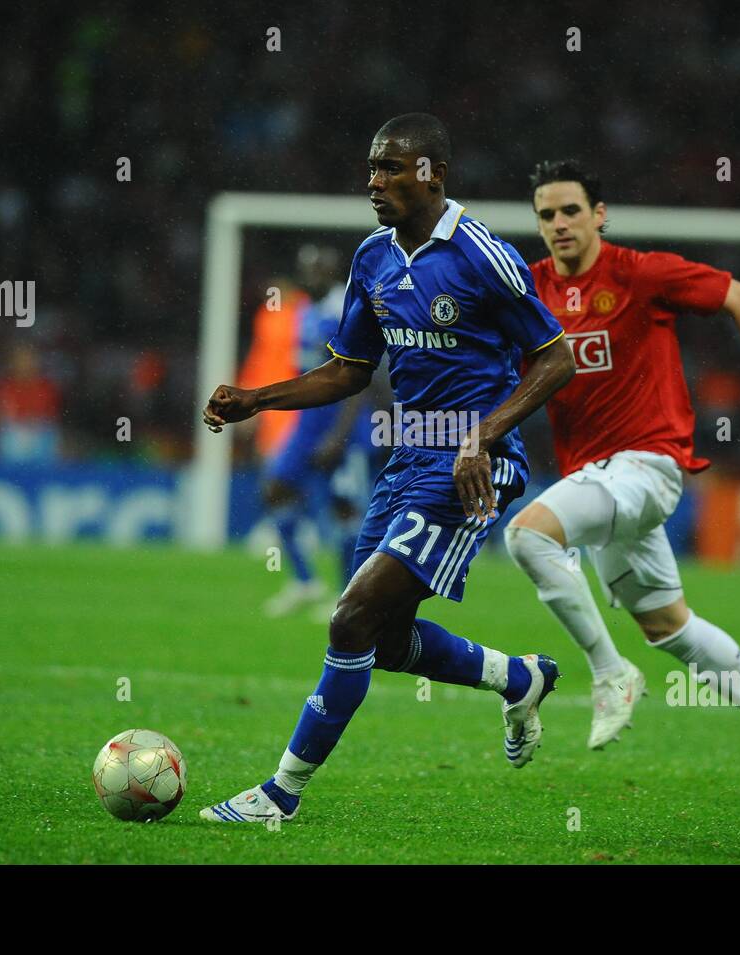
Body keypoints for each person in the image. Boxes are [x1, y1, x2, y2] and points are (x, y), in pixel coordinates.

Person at [200, 114, 576, 822]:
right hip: (408, 458)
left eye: (393, 168)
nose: (375, 182)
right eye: (372, 168)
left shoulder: (480, 255)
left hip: (473, 465)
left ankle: (280, 794)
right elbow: (349, 370)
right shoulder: (373, 257)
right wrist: (258, 398)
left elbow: (556, 357)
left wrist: (485, 435)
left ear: (433, 172)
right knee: (382, 636)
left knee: (350, 619)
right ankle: (519, 677)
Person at [504, 159, 740, 797]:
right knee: (669, 628)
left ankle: (608, 673)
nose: (560, 224)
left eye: (572, 210)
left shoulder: (639, 274)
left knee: (527, 536)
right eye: (547, 214)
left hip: (647, 466)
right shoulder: (528, 290)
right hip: (596, 480)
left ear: (599, 215)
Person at [261, 244, 378, 617]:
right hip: (307, 422)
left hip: (341, 424)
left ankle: (347, 594)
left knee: (344, 506)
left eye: (318, 268)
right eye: (305, 269)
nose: (310, 275)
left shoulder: (345, 310)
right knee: (276, 490)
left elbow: (358, 380)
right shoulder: (304, 310)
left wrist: (337, 436)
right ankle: (305, 581)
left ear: (332, 272)